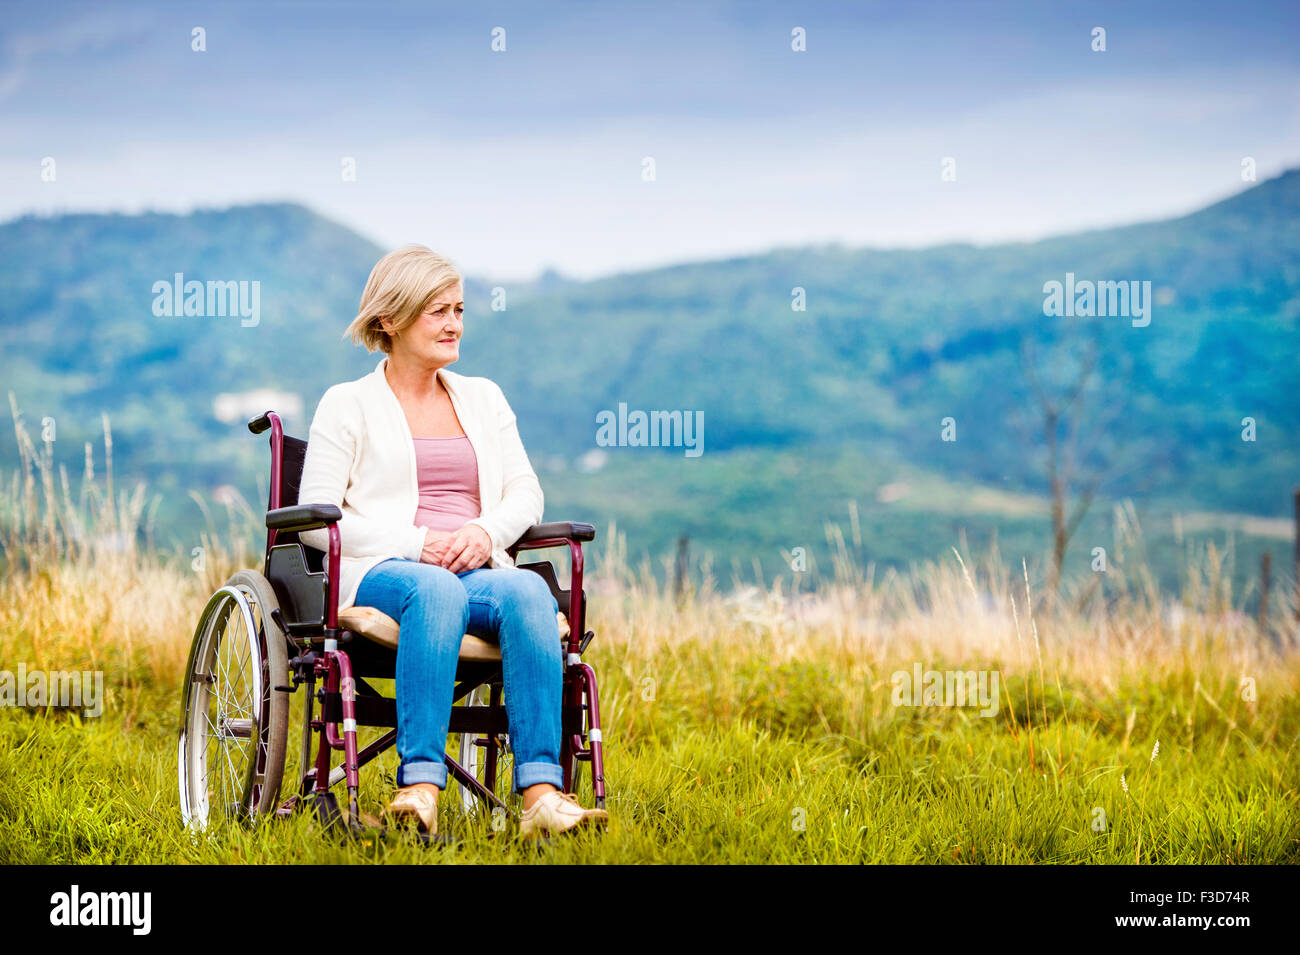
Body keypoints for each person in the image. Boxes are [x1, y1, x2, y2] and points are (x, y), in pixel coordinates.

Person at [297, 244, 607, 838]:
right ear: (391, 319)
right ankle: (420, 787)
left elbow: (525, 493)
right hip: (384, 572)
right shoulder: (348, 404)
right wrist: (416, 543)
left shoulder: (483, 398)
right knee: (435, 588)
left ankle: (541, 795)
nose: (454, 323)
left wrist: (482, 531)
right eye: (437, 311)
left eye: (459, 309)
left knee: (526, 593)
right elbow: (316, 518)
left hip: (475, 567)